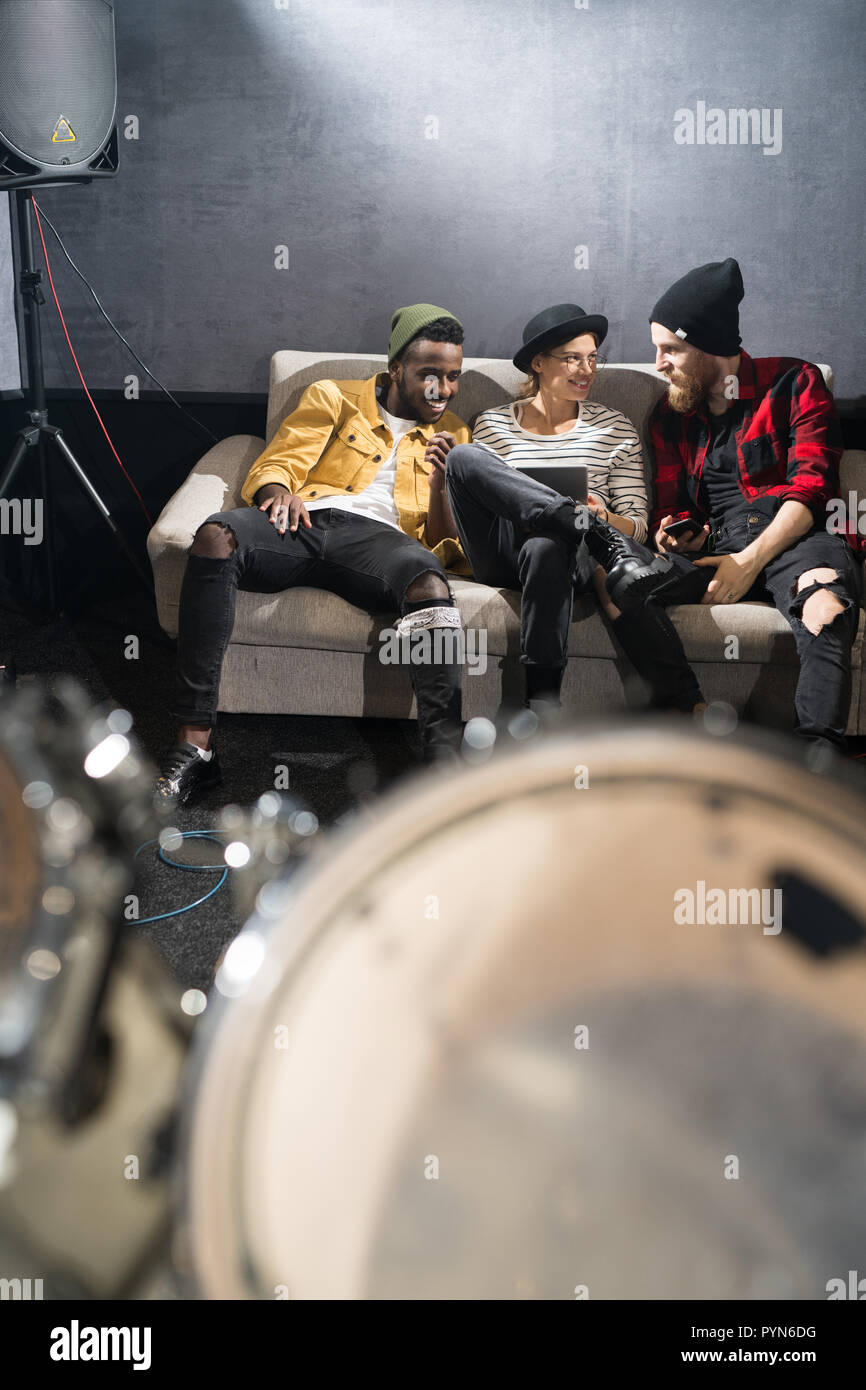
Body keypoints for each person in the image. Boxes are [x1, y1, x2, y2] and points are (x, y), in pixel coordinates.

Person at [155, 304, 472, 807]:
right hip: (305, 521)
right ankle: (195, 751)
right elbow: (280, 459)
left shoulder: (453, 432)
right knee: (216, 536)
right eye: (429, 374)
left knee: (430, 586)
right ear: (396, 369)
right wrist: (277, 490)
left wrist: (440, 485)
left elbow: (440, 546)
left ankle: (444, 766)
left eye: (453, 376)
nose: (443, 389)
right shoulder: (334, 395)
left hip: (381, 543)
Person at [642, 257, 861, 754]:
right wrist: (675, 532)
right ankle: (693, 721)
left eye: (670, 349)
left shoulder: (795, 381)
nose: (658, 364)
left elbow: (812, 488)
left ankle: (816, 765)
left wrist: (750, 562)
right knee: (623, 588)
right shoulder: (670, 414)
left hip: (795, 538)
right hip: (717, 545)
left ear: (712, 345)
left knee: (824, 604)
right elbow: (672, 505)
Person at [437, 303, 696, 713]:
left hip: (570, 556)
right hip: (501, 552)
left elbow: (639, 528)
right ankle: (582, 526)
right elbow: (477, 503)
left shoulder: (615, 428)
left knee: (547, 545)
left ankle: (542, 708)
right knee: (463, 458)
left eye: (592, 358)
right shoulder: (492, 424)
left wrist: (602, 516)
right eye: (572, 358)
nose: (586, 369)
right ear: (538, 363)